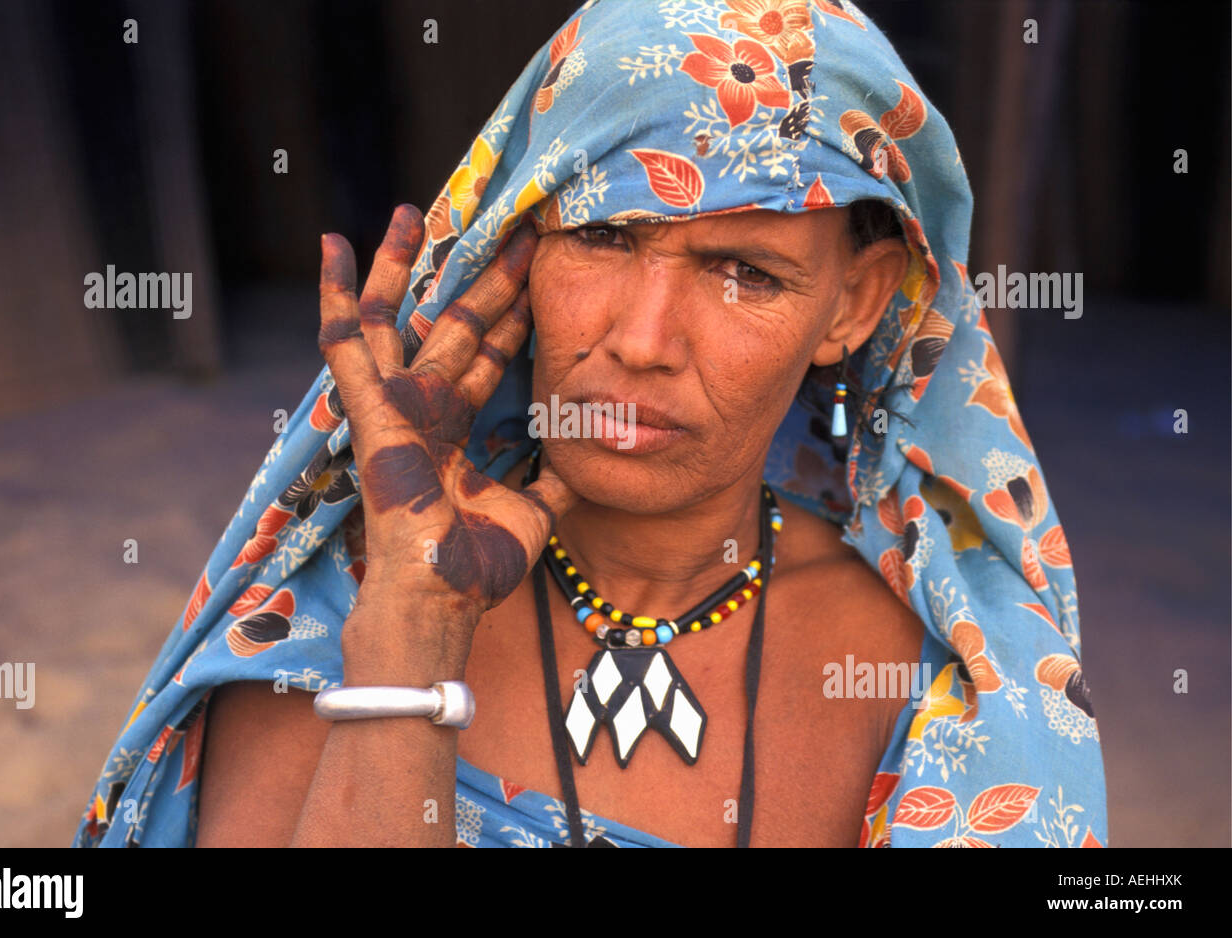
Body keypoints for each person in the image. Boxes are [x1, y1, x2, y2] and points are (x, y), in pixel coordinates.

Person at [75, 0, 1107, 848]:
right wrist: (409, 638)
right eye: (605, 234)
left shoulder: (946, 688)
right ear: (518, 237)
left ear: (854, 302)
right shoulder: (340, 608)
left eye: (744, 271)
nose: (643, 338)